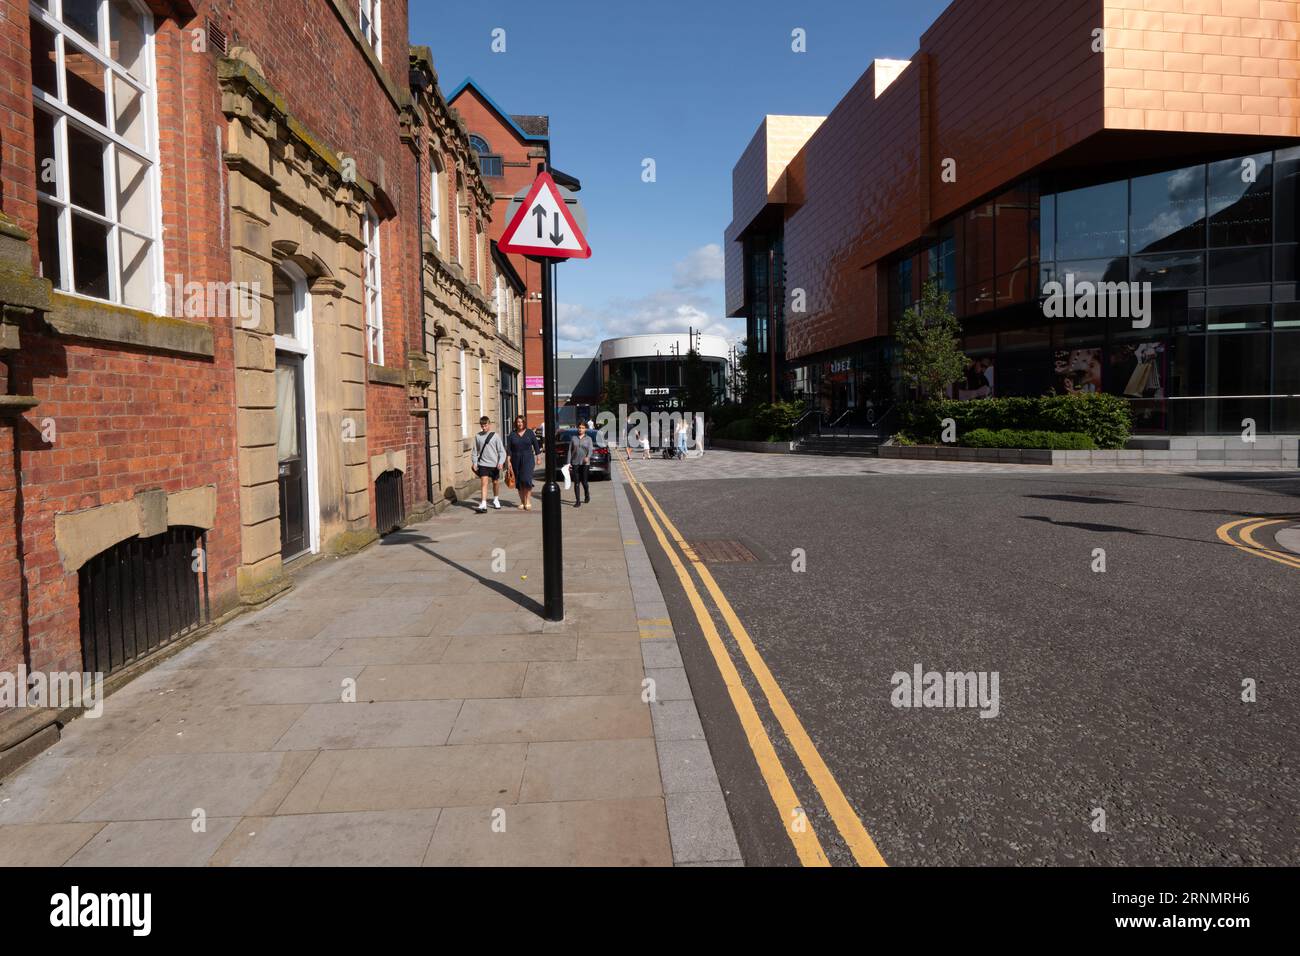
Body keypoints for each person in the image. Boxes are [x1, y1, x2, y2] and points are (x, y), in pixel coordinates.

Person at [505, 415, 541, 511]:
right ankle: (522, 501)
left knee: (527, 479)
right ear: (515, 423)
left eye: (521, 422)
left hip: (528, 458)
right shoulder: (512, 435)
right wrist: (508, 461)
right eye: (518, 422)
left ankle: (528, 501)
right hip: (515, 459)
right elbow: (509, 449)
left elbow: (536, 446)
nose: (519, 424)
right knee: (519, 482)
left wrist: (538, 457)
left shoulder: (530, 433)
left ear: (524, 423)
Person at [472, 416, 506, 512]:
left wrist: (500, 462)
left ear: (489, 425)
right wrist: (475, 462)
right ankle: (483, 503)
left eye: (485, 425)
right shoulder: (478, 436)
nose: (483, 428)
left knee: (495, 482)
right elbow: (475, 451)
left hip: (494, 464)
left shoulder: (495, 436)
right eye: (482, 426)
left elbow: (501, 451)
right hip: (483, 464)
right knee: (484, 483)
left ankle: (496, 499)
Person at [568, 421, 594, 508]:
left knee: (584, 482)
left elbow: (590, 450)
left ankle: (587, 494)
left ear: (585, 429)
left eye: (582, 428)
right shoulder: (573, 438)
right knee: (576, 483)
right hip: (575, 462)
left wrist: (588, 457)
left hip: (585, 463)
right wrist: (568, 463)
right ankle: (578, 501)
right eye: (579, 427)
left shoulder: (589, 439)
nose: (580, 429)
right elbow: (569, 451)